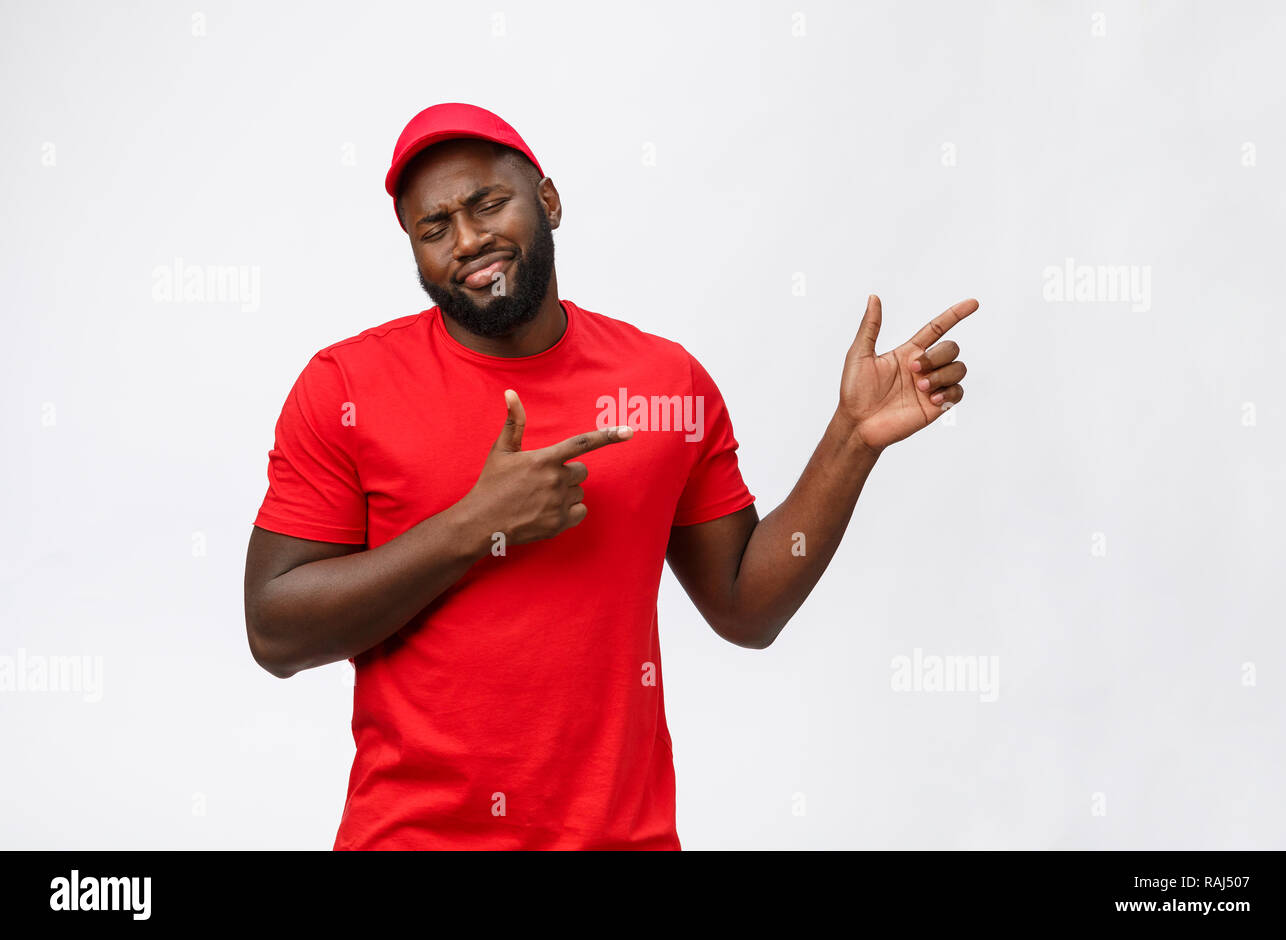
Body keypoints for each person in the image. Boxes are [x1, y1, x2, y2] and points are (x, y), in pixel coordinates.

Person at [243, 102, 978, 850]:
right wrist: (474, 526)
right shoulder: (344, 388)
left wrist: (850, 440)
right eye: (434, 229)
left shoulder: (662, 382)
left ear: (549, 200)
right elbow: (274, 631)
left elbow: (745, 609)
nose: (467, 242)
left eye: (488, 204)